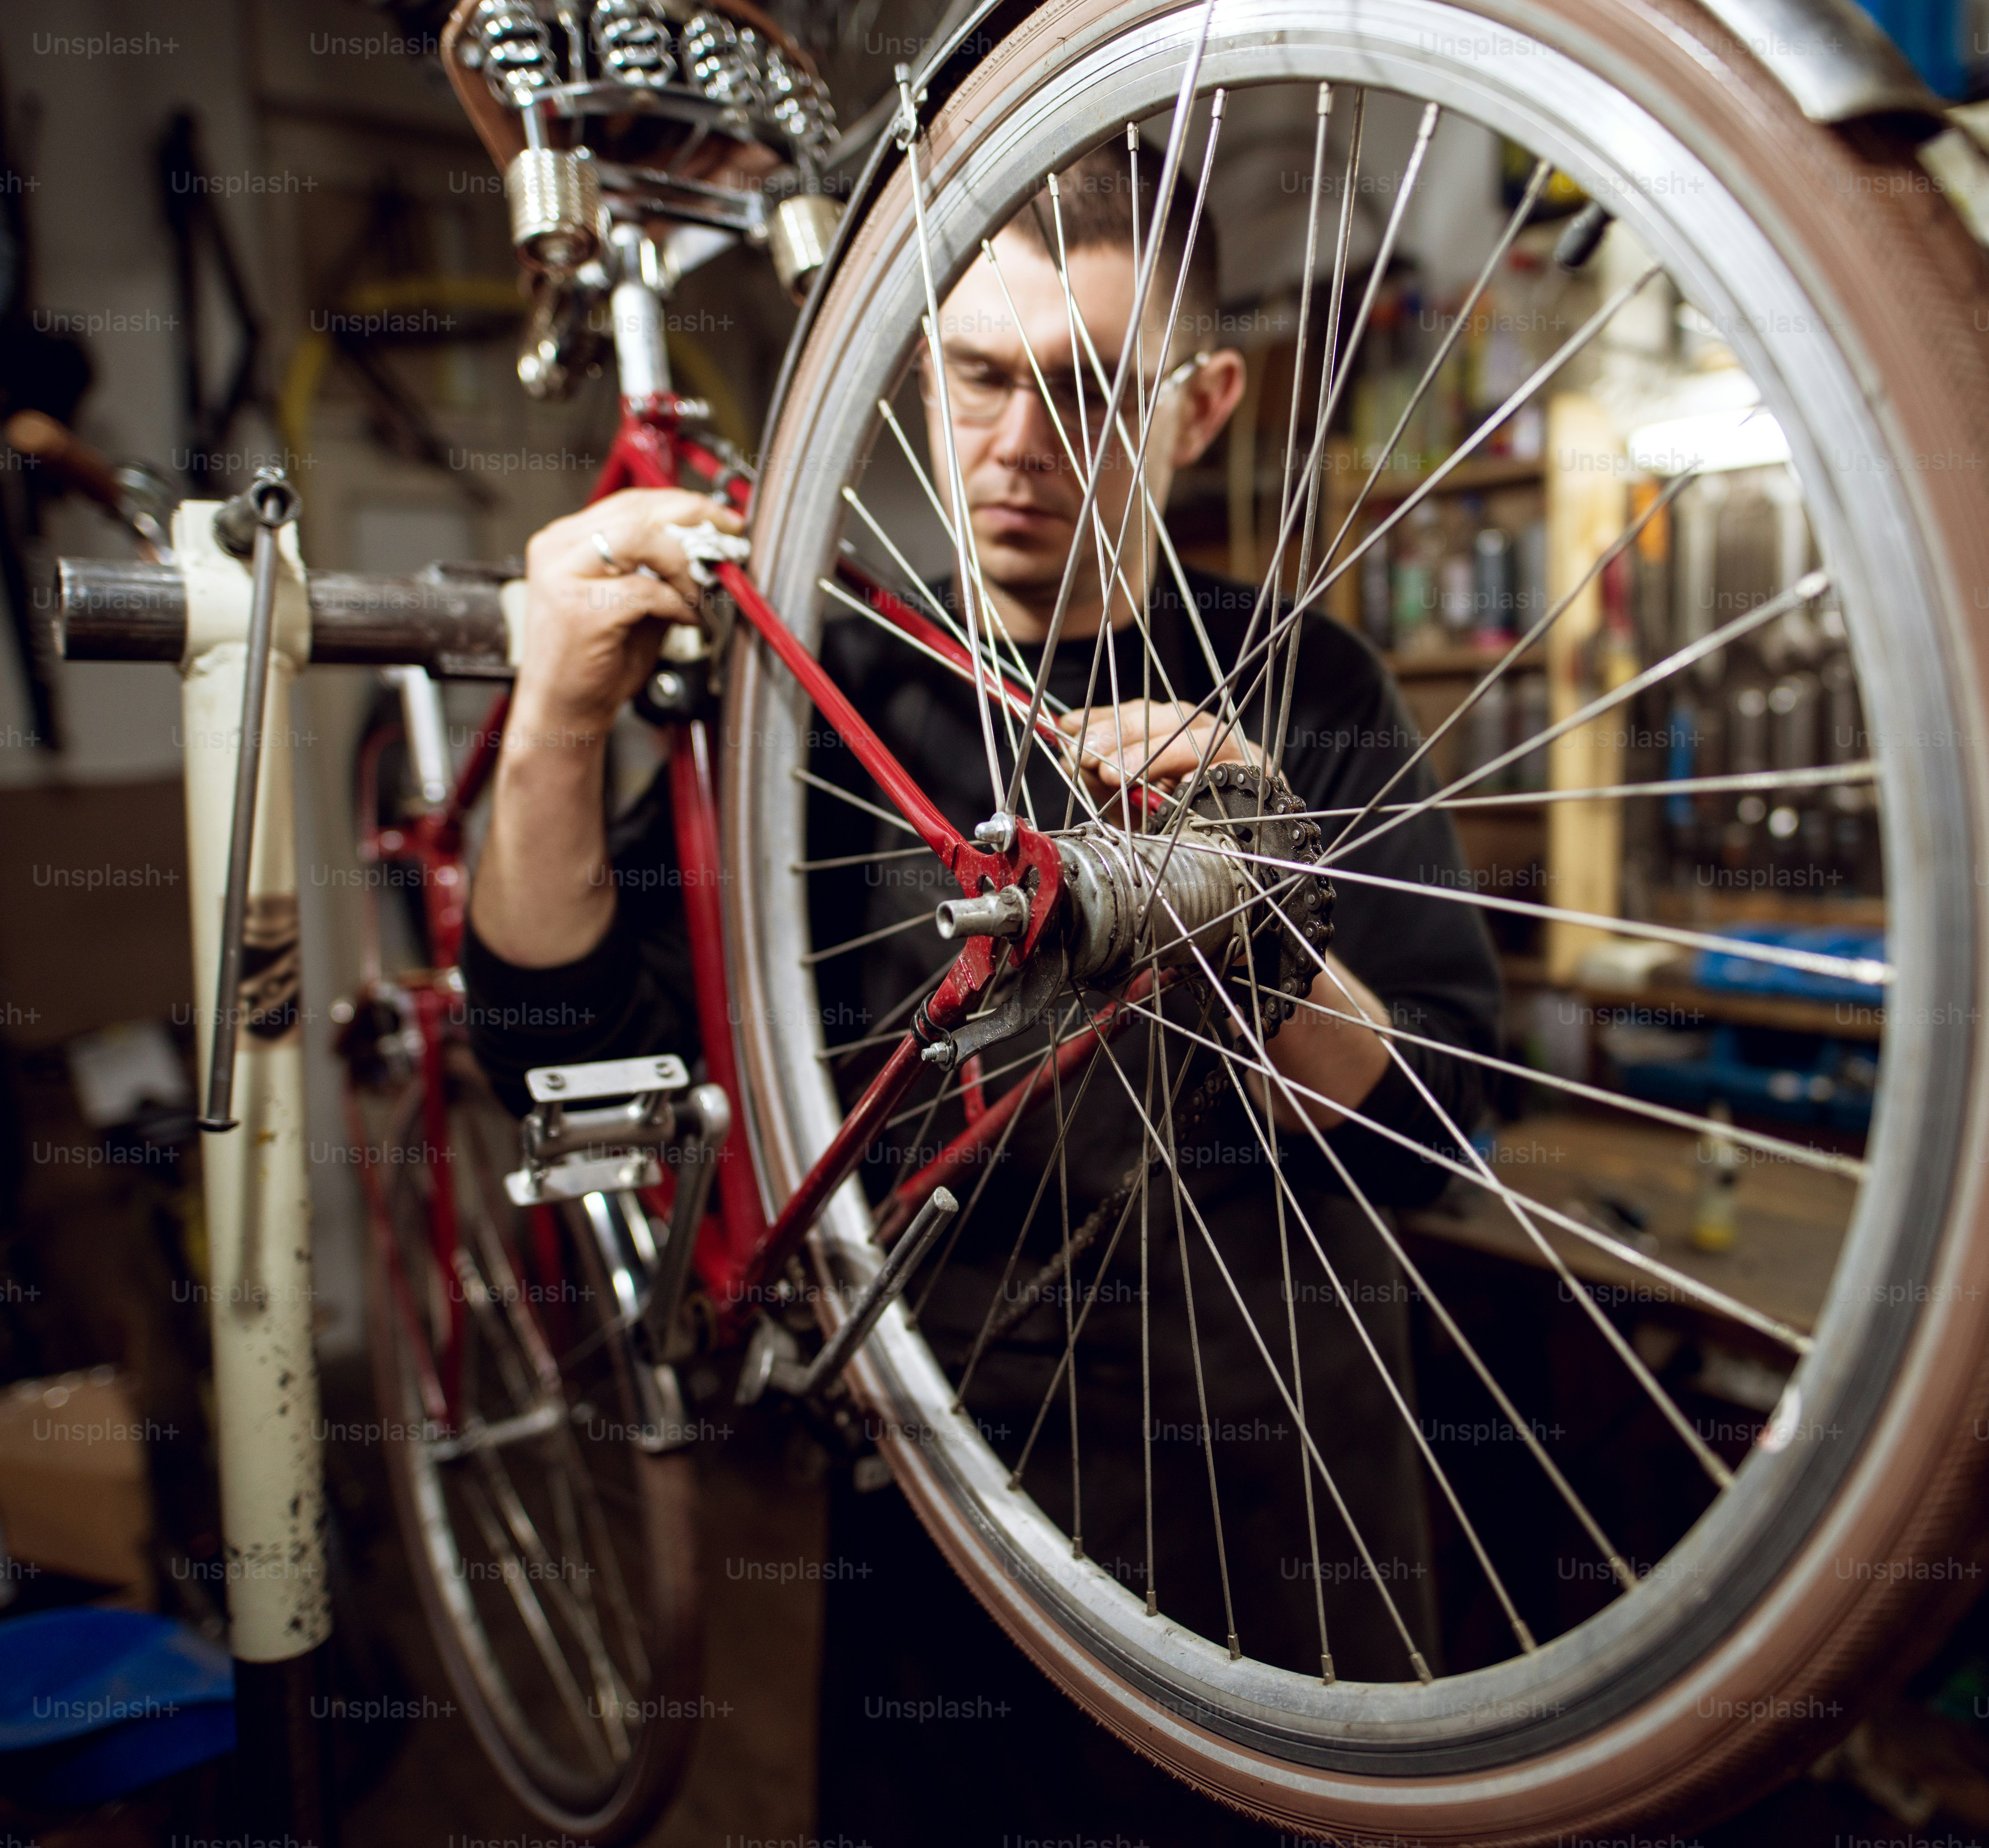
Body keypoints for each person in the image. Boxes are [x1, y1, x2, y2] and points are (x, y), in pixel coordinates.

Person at [462, 142, 1502, 1837]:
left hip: (1277, 1503)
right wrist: (558, 724)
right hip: (951, 1506)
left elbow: (1441, 1124)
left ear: (1204, 402)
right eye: (974, 376)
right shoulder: (821, 695)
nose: (1016, 452)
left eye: (1086, 390)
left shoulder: (1311, 683)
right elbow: (557, 1051)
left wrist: (1251, 915)